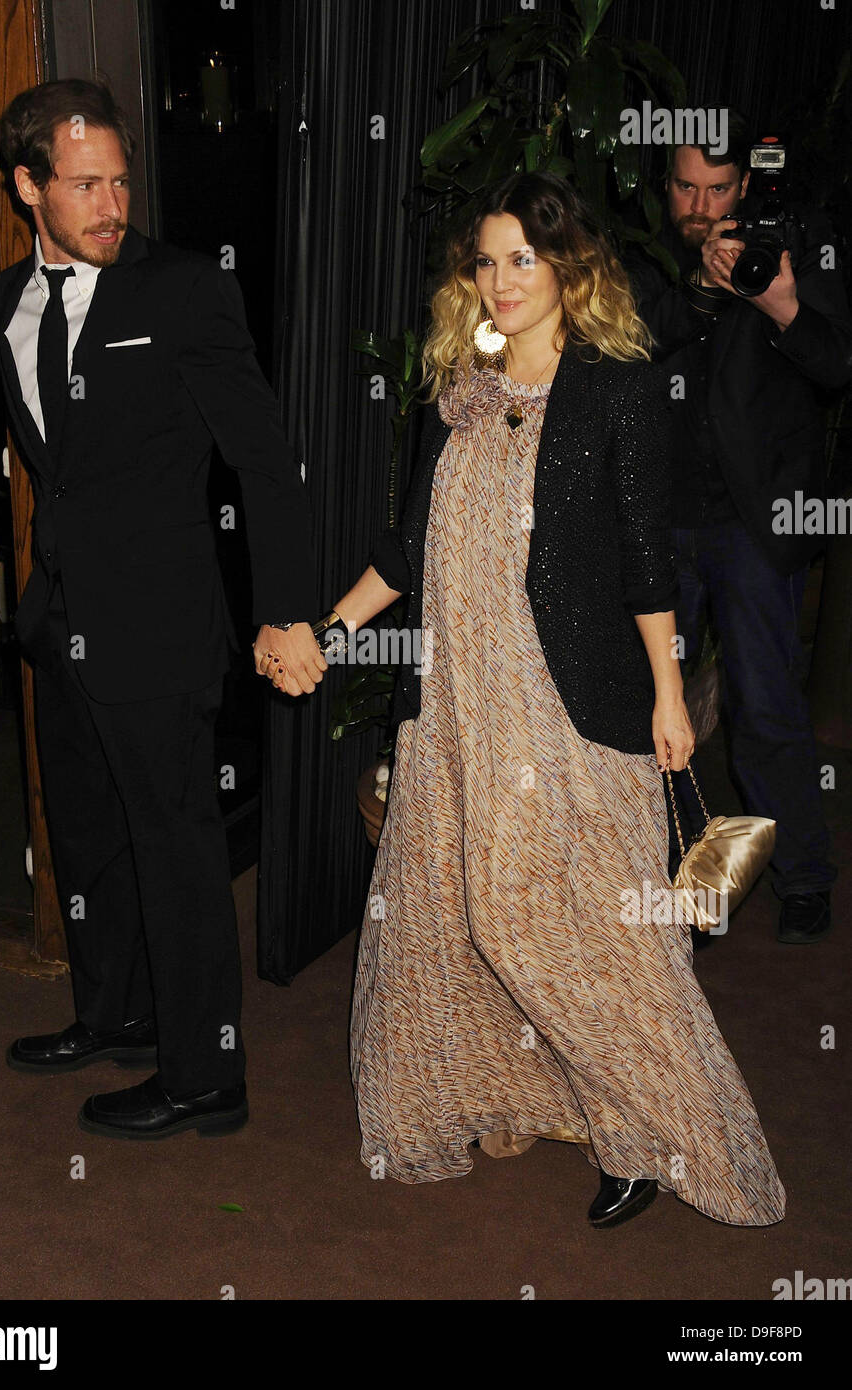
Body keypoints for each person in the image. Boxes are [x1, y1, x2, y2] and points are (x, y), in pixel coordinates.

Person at [321, 172, 785, 1228]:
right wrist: (332, 628)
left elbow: (643, 564)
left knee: (557, 927)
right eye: (484, 262)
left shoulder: (617, 387)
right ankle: (511, 1089)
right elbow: (404, 547)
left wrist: (671, 697)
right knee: (453, 920)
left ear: (568, 267)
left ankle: (660, 1136)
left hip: (563, 707)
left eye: (522, 259)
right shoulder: (457, 392)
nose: (501, 282)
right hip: (457, 708)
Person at [0, 78, 326, 1139]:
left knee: (176, 847)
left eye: (119, 181)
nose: (110, 203)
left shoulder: (181, 290)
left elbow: (265, 465)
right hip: (64, 621)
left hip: (163, 624)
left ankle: (205, 1075)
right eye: (83, 184)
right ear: (25, 186)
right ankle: (118, 1012)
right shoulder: (0, 306)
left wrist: (284, 613)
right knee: (89, 836)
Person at [629, 115, 852, 944]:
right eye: (686, 186)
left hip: (756, 525)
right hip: (659, 519)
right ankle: (671, 882)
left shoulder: (794, 241)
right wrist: (701, 289)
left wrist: (781, 301)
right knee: (650, 711)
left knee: (766, 711)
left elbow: (836, 363)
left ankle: (802, 876)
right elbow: (631, 339)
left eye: (719, 189)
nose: (701, 204)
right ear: (666, 184)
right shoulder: (646, 254)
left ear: (747, 186)